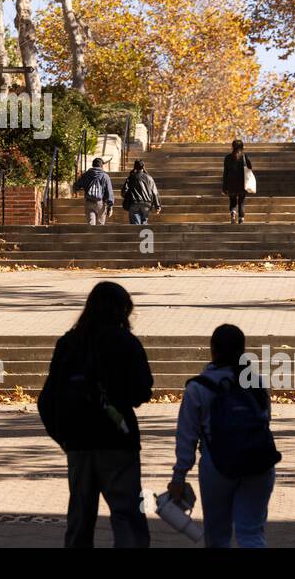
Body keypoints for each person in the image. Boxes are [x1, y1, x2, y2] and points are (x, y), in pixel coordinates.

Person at [38, 281, 154, 548]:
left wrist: (64, 437)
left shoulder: (69, 343)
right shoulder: (126, 342)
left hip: (79, 443)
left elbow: (46, 400)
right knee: (127, 515)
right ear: (122, 310)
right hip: (118, 440)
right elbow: (142, 390)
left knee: (80, 517)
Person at [168, 323, 280, 548]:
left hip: (217, 466)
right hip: (259, 463)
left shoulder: (198, 387)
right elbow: (265, 420)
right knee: (251, 532)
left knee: (218, 536)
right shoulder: (255, 383)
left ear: (213, 349)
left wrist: (179, 477)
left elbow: (187, 437)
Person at [72, 157, 114, 225]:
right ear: (101, 166)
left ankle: (91, 235)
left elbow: (77, 186)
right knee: (100, 224)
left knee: (91, 224)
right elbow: (109, 191)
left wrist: (75, 190)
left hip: (89, 201)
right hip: (100, 203)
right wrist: (110, 206)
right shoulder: (105, 176)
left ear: (92, 165)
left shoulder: (86, 175)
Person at [222, 139, 253, 225]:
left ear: (232, 147)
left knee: (232, 200)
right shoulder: (244, 156)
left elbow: (225, 173)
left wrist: (224, 187)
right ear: (242, 147)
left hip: (231, 183)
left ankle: (233, 212)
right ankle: (241, 218)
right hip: (242, 183)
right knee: (241, 201)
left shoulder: (227, 158)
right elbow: (250, 168)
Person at [122, 158, 161, 225]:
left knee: (135, 225)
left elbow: (124, 191)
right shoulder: (149, 178)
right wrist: (157, 206)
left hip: (134, 203)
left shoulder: (131, 177)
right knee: (144, 224)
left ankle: (137, 235)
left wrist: (128, 197)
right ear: (143, 166)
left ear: (135, 166)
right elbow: (154, 192)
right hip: (147, 204)